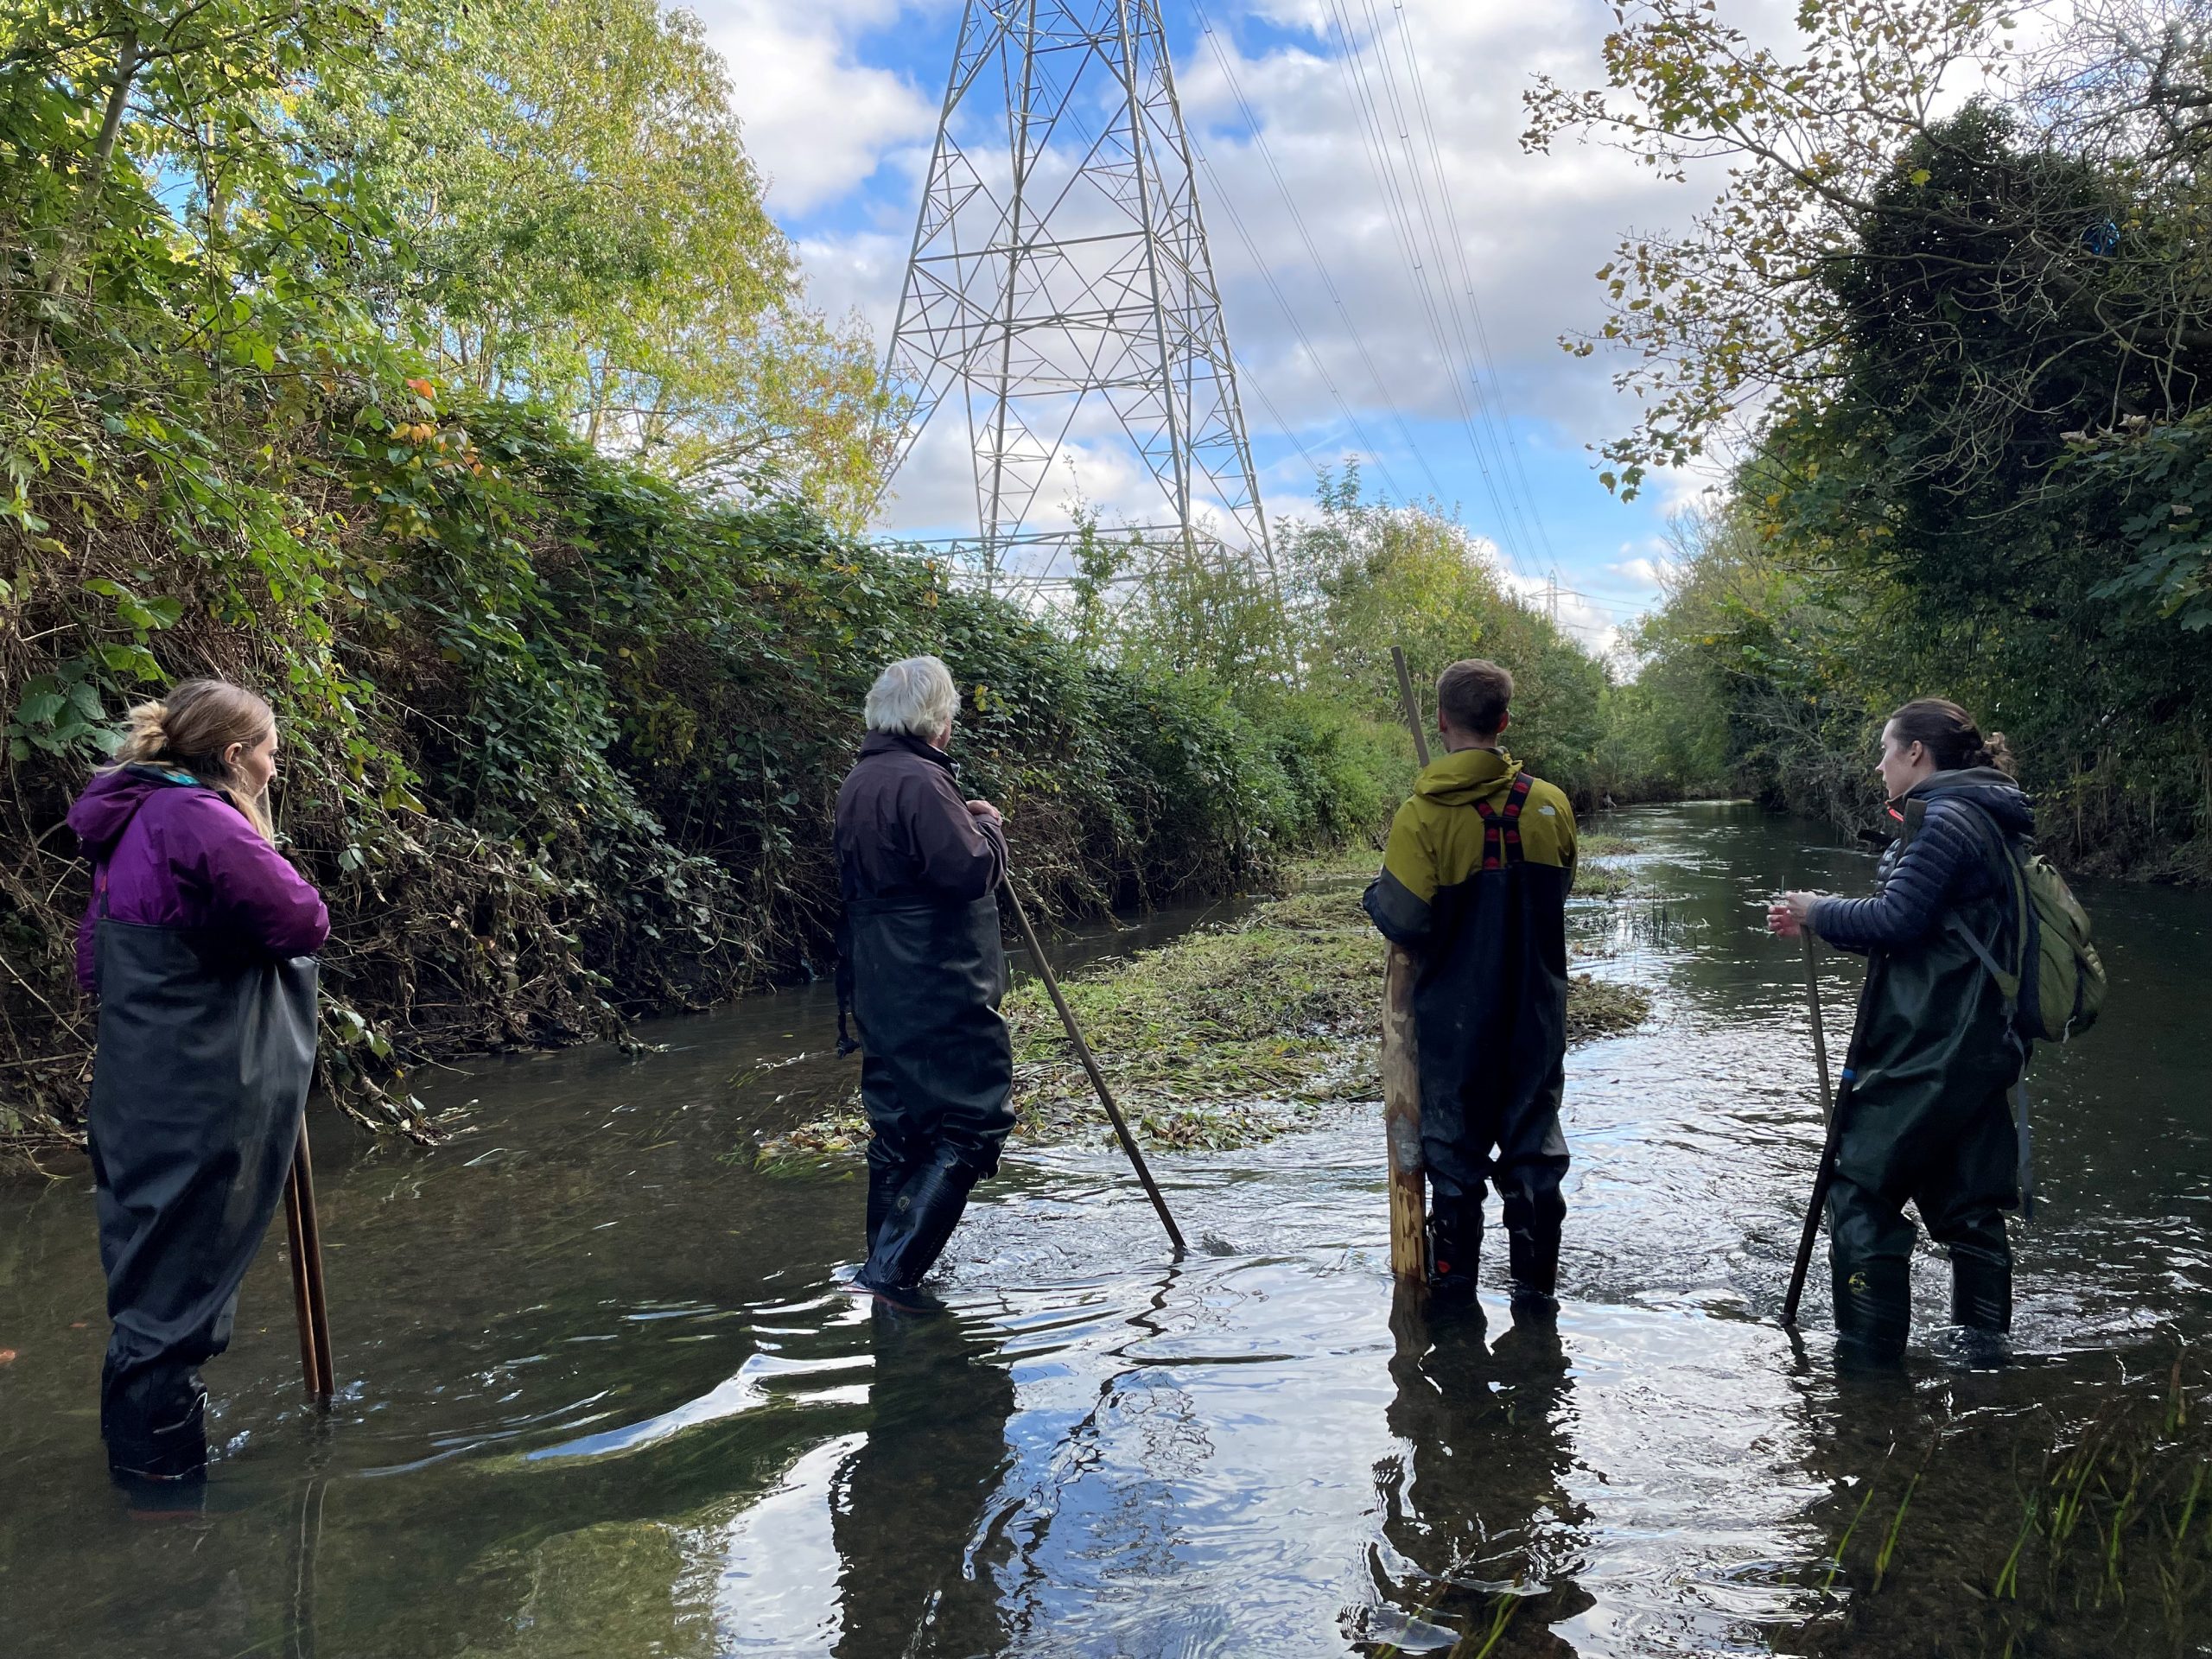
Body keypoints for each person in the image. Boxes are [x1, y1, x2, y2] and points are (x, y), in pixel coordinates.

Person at [66, 679, 330, 1491]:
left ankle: (144, 1501)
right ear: (233, 756)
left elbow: (91, 963)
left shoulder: (134, 815)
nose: (274, 772)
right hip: (197, 1092)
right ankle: (161, 1506)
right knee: (170, 1313)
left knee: (150, 1286)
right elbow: (301, 919)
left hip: (138, 1091)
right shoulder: (198, 818)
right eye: (270, 757)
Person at [1767, 697, 2030, 1363]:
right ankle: (1986, 1362)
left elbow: (1896, 921)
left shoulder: (1944, 817)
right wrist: (1821, 921)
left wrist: (1818, 908)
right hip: (1980, 1043)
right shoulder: (1986, 814)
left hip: (1930, 1044)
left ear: (1916, 752)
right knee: (1969, 1207)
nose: (1880, 766)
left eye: (1886, 751)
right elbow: (1926, 928)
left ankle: (1867, 1374)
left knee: (1859, 1190)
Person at [1363, 658, 1579, 1314]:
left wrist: (1374, 894)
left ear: (1441, 722)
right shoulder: (1551, 804)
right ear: (1504, 722)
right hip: (1535, 1019)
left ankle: (1454, 1323)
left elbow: (1403, 919)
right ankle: (1536, 1306)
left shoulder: (1421, 815)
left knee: (1454, 1165)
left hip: (1454, 1025)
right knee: (1534, 1156)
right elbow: (1559, 892)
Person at [833, 656, 1013, 1305]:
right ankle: (888, 1280)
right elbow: (967, 873)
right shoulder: (921, 781)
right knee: (969, 1126)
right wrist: (988, 825)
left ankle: (879, 1269)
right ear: (939, 719)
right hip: (938, 982)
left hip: (879, 981)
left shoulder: (862, 778)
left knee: (900, 1127)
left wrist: (957, 819)